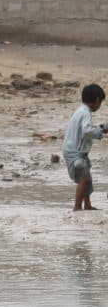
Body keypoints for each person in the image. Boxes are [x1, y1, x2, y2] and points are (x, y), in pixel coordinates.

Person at [64, 83, 104, 212]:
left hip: (72, 150)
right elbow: (87, 131)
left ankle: (87, 205)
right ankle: (77, 207)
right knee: (84, 179)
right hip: (76, 152)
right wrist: (98, 132)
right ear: (97, 100)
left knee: (87, 177)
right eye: (101, 102)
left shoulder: (80, 111)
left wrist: (100, 128)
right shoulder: (86, 113)